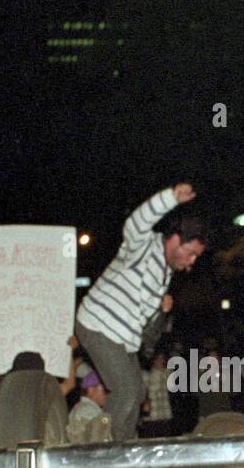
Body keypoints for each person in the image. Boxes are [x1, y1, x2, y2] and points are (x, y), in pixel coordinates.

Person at [75, 183, 206, 440]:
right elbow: (135, 223)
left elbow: (147, 332)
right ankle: (106, 448)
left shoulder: (164, 277)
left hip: (123, 338)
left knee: (137, 390)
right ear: (176, 240)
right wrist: (170, 198)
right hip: (98, 323)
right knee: (124, 391)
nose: (191, 263)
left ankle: (125, 442)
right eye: (190, 254)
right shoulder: (144, 247)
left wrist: (161, 312)